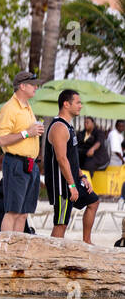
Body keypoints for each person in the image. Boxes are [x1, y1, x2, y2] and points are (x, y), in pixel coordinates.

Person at [45, 89, 100, 245]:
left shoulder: (68, 126)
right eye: (77, 102)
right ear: (66, 104)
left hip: (73, 179)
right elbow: (62, 159)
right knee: (61, 223)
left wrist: (82, 177)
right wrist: (72, 185)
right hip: (62, 185)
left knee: (94, 202)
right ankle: (52, 256)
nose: (80, 106)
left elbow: (72, 158)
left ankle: (86, 242)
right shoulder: (58, 127)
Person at [0, 70, 44, 234]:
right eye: (33, 84)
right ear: (22, 86)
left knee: (23, 213)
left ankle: (16, 251)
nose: (36, 87)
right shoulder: (10, 108)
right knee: (13, 211)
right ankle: (5, 252)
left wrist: (32, 132)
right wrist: (26, 133)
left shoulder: (27, 106)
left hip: (31, 165)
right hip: (16, 163)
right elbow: (1, 139)